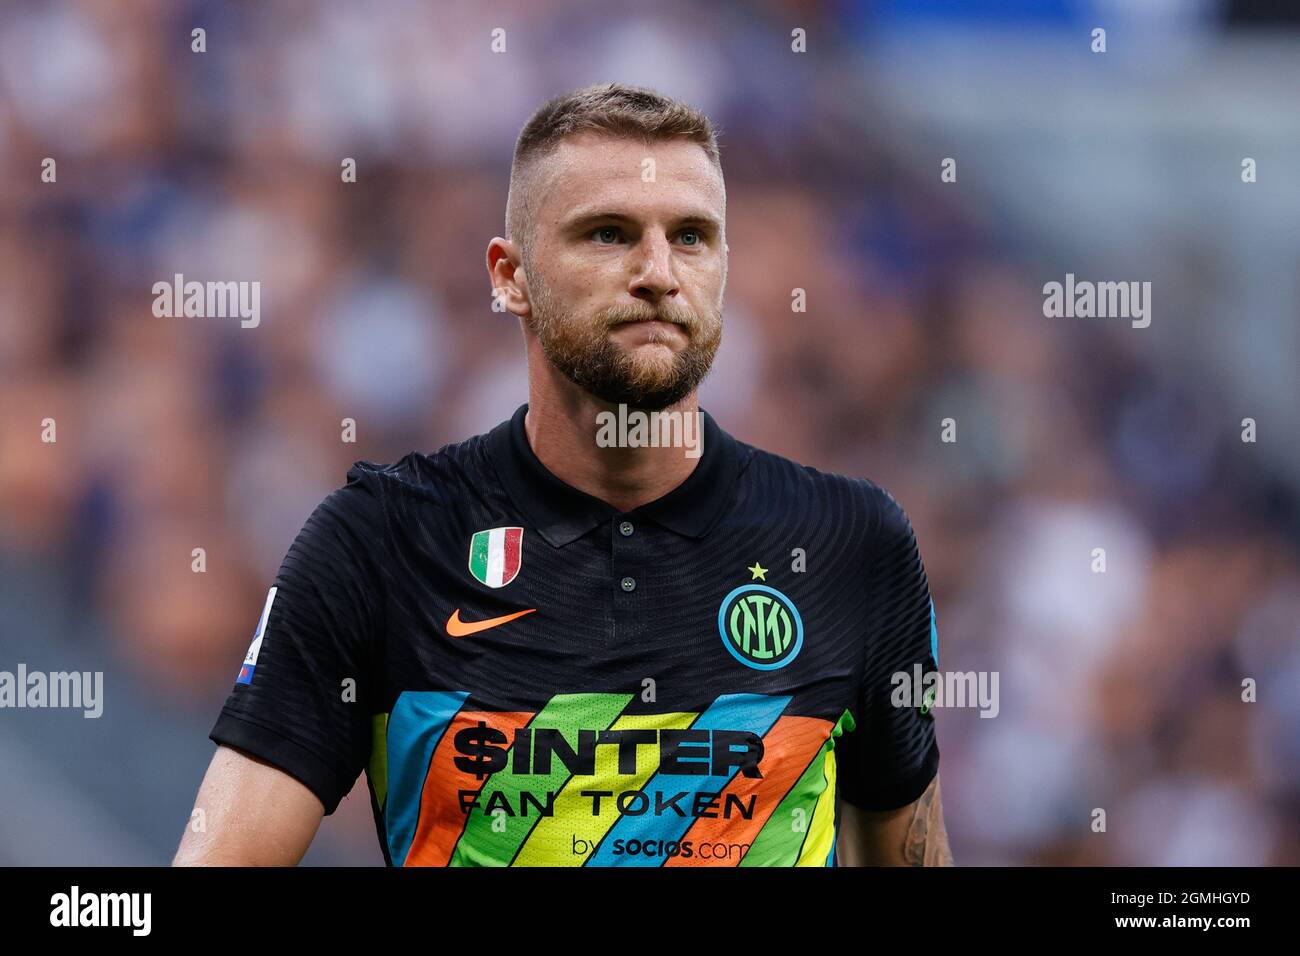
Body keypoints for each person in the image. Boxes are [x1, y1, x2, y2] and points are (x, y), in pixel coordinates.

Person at [174, 82, 952, 867]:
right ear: (510, 276)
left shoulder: (855, 546)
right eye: (609, 234)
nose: (658, 272)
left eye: (691, 236)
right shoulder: (378, 542)